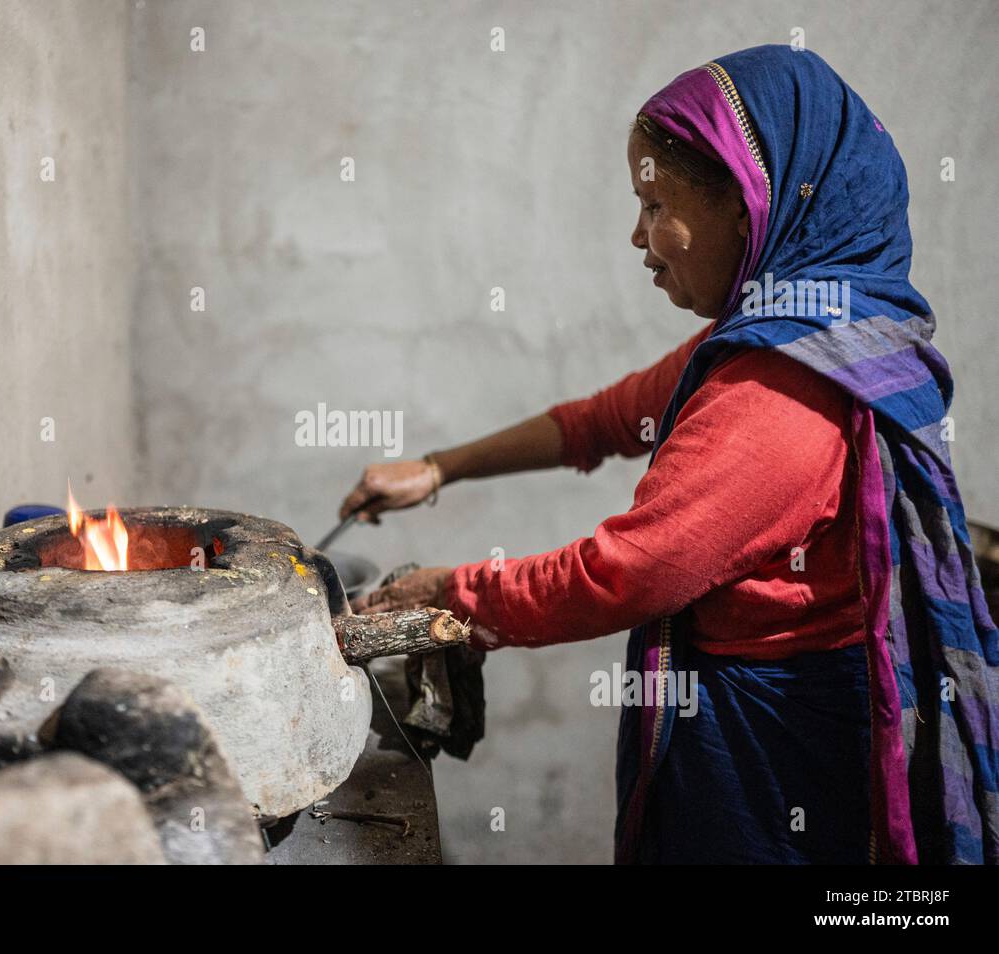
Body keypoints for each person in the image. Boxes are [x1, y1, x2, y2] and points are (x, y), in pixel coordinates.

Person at [340, 45, 998, 865]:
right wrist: (438, 468)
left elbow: (626, 573)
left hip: (771, 756)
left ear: (748, 208)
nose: (638, 235)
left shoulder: (782, 398)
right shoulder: (800, 337)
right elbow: (603, 420)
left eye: (656, 204)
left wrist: (453, 592)